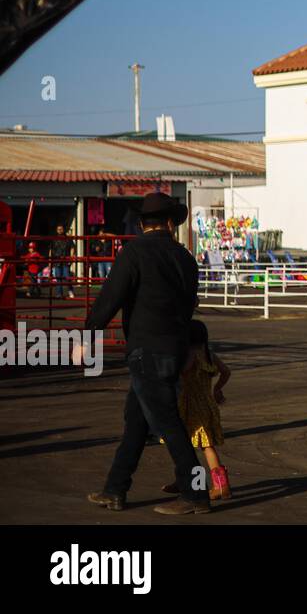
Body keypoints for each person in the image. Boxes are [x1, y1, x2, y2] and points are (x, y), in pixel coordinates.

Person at [84, 192, 210, 515]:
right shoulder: (185, 258)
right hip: (174, 349)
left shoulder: (134, 252)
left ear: (142, 223)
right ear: (171, 223)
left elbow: (111, 296)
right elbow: (189, 306)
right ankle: (115, 488)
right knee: (137, 423)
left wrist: (89, 333)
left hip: (145, 350)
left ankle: (196, 493)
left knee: (170, 426)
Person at [161, 320, 233, 499]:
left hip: (190, 406)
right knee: (197, 446)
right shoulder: (209, 353)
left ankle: (219, 486)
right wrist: (217, 389)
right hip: (207, 404)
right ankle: (186, 480)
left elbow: (182, 372)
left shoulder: (190, 354)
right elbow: (226, 371)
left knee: (197, 446)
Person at [49, 225, 72, 297]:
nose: (60, 230)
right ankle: (59, 293)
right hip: (57, 260)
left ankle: (70, 290)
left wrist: (71, 258)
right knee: (58, 278)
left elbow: (72, 248)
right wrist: (50, 261)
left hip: (65, 259)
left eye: (61, 229)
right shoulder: (54, 239)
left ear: (63, 229)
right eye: (58, 229)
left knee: (67, 276)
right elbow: (50, 250)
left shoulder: (68, 238)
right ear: (56, 230)